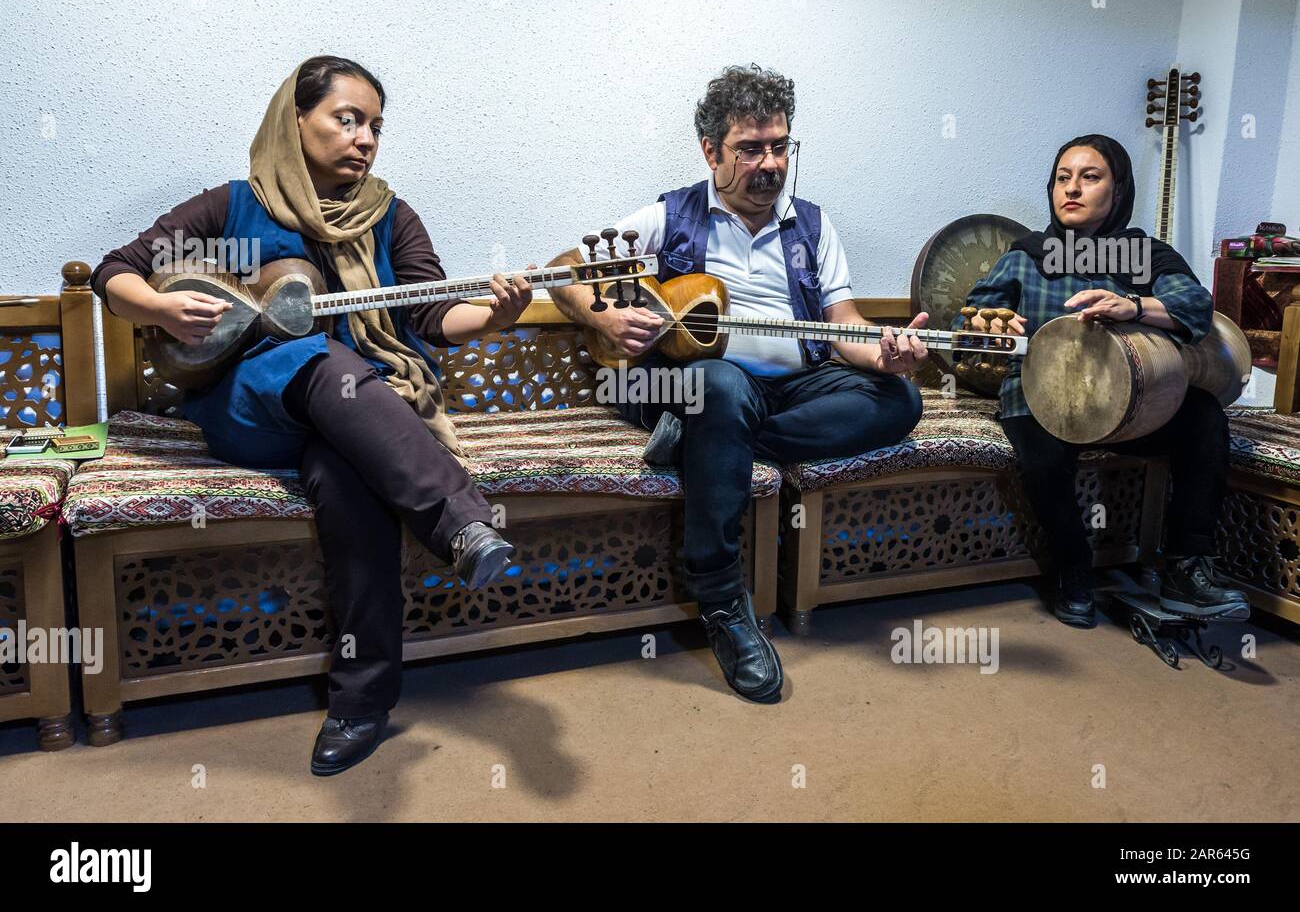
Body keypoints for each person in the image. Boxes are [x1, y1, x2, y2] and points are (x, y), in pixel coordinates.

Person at [92, 56, 531, 775]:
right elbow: (116, 269)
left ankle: (362, 701)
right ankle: (462, 521)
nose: (365, 139)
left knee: (350, 480)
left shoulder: (390, 214)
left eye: (376, 127)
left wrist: (492, 314)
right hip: (253, 406)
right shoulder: (236, 205)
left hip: (363, 414)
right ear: (296, 119)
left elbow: (427, 311)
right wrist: (162, 306)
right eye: (347, 118)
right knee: (320, 361)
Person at [547, 65, 927, 702]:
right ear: (711, 152)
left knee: (902, 401)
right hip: (692, 385)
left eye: (780, 146)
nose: (770, 163)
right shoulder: (672, 215)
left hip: (796, 386)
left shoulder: (811, 226)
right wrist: (602, 314)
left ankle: (705, 440)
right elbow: (561, 271)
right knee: (719, 388)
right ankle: (723, 601)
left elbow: (842, 325)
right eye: (751, 148)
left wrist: (883, 355)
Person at [961, 134, 1249, 627]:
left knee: (1203, 417)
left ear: (1118, 192)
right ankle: (1073, 568)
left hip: (1134, 402)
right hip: (1040, 394)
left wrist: (1135, 306)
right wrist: (991, 321)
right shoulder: (1029, 253)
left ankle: (1186, 567)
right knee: (1043, 450)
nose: (1071, 189)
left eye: (1090, 178)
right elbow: (975, 314)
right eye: (1062, 178)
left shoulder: (1142, 254)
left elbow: (1196, 305)